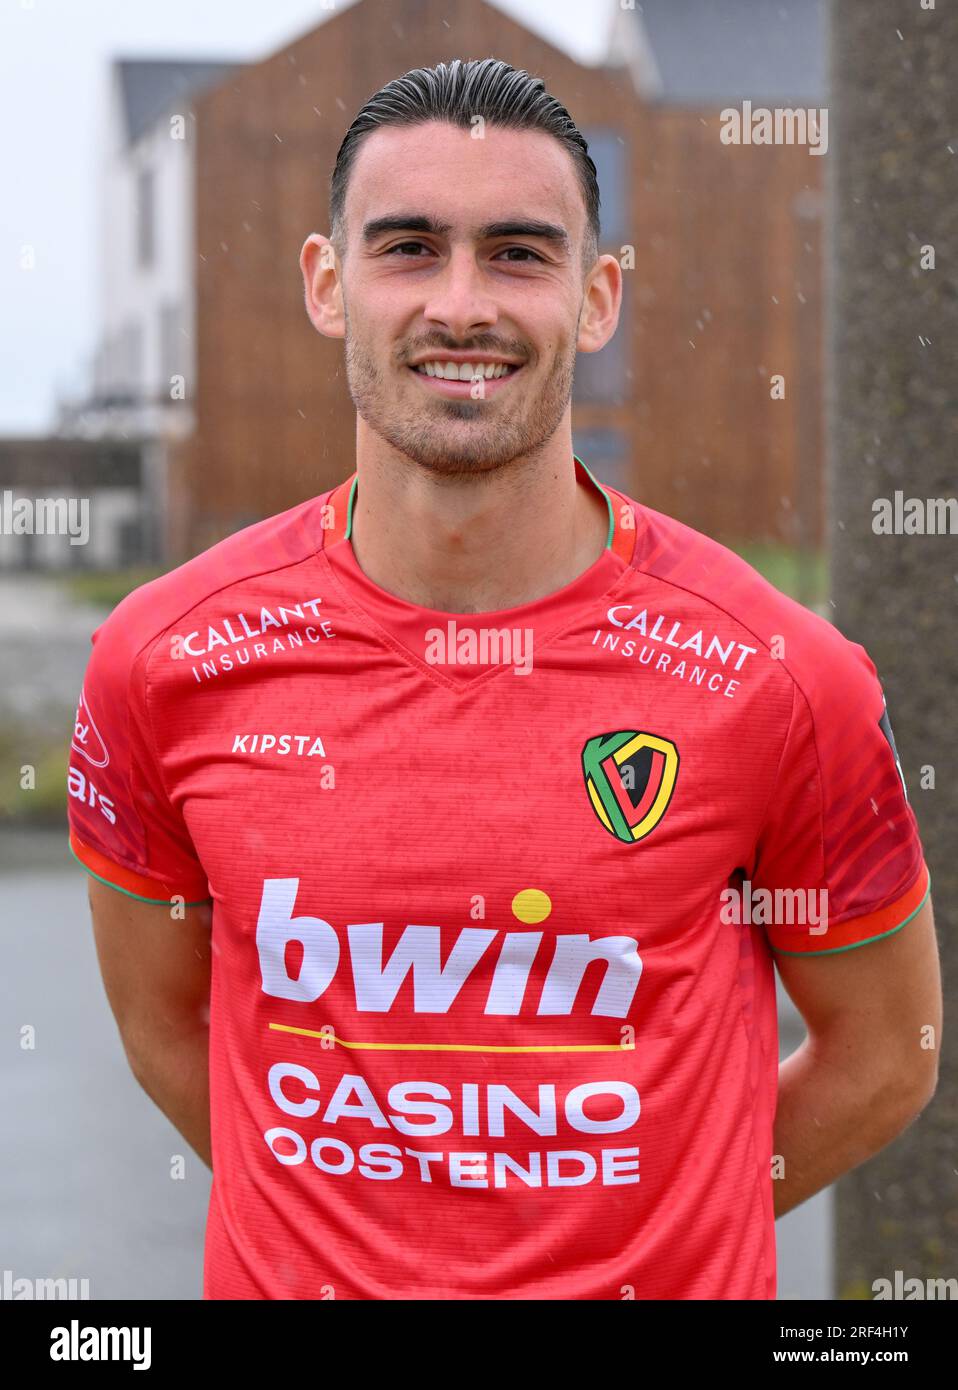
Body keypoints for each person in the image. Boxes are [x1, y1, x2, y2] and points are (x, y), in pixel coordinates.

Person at [67, 58, 940, 1300]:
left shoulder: (780, 675)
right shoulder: (165, 660)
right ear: (329, 284)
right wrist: (358, 1228)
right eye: (409, 248)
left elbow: (886, 1052)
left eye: (519, 254)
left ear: (597, 298)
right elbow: (165, 1027)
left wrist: (648, 1230)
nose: (461, 304)